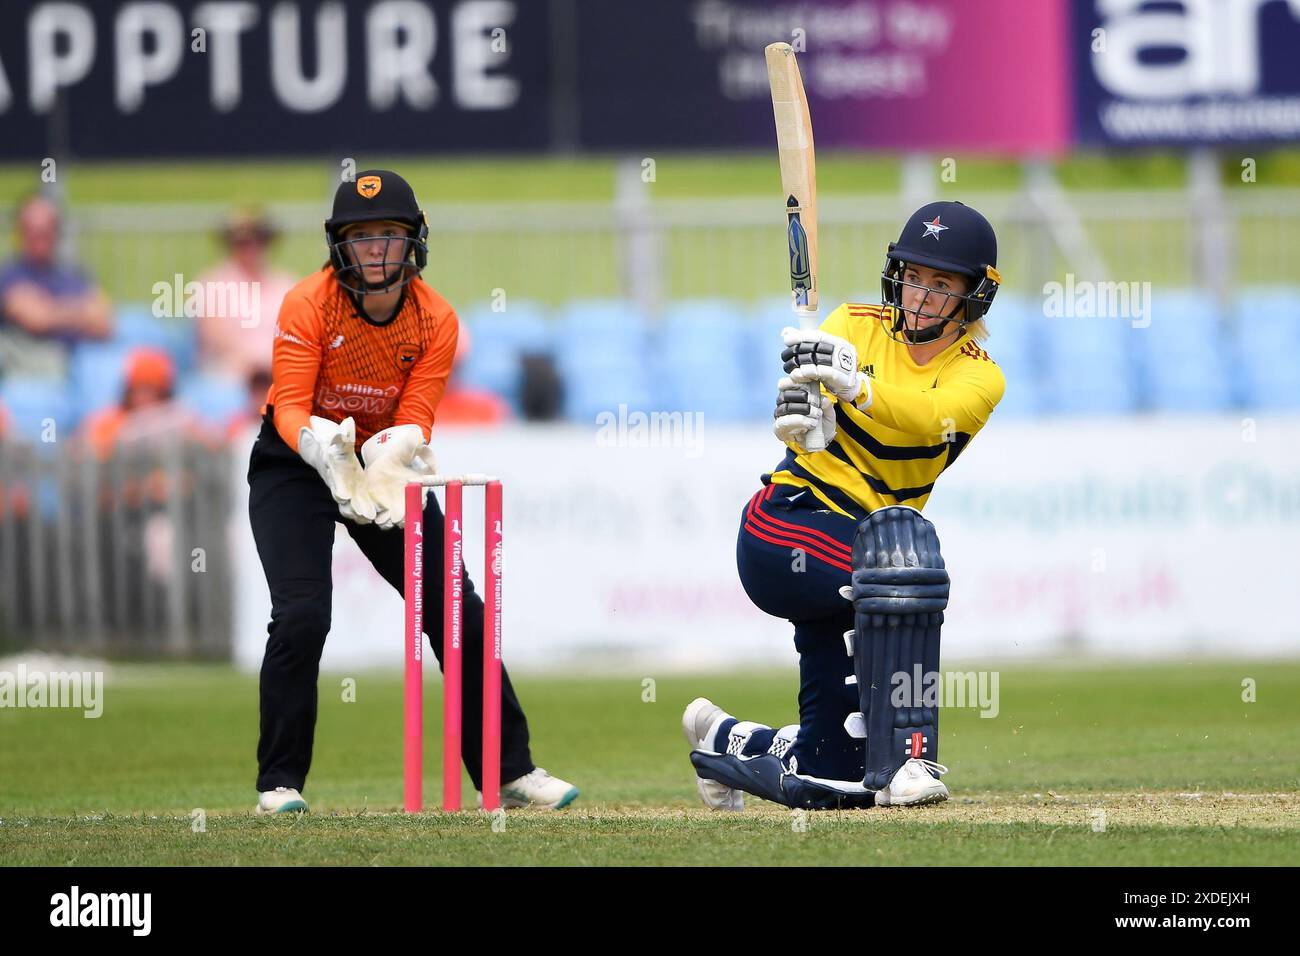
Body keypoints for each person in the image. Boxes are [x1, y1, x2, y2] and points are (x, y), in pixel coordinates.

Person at [248, 170, 577, 814]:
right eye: (361, 237)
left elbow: (416, 417)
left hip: (381, 465)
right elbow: (289, 405)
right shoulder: (307, 303)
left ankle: (508, 772)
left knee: (458, 607)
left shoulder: (436, 320)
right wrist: (319, 448)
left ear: (414, 242)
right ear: (339, 246)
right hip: (296, 462)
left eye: (389, 236)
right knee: (302, 614)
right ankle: (279, 783)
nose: (376, 250)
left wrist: (391, 457)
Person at [685, 201, 1006, 811]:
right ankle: (911, 758)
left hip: (861, 545)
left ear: (974, 297)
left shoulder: (981, 377)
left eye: (941, 285)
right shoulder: (851, 324)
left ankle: (726, 740)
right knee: (902, 573)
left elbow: (921, 421)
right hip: (784, 523)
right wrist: (801, 418)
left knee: (836, 775)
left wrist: (856, 386)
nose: (920, 296)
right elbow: (800, 418)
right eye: (913, 277)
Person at [0, 195, 112, 378]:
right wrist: (81, 311)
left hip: (81, 363)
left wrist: (52, 309)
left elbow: (104, 322)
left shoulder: (75, 273)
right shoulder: (10, 276)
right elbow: (36, 319)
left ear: (57, 232)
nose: (38, 237)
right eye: (31, 230)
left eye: (45, 230)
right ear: (19, 232)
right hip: (32, 369)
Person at [195, 208, 297, 381]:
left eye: (258, 240)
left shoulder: (286, 283)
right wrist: (254, 367)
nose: (251, 248)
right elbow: (216, 338)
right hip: (231, 374)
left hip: (280, 369)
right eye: (242, 242)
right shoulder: (212, 284)